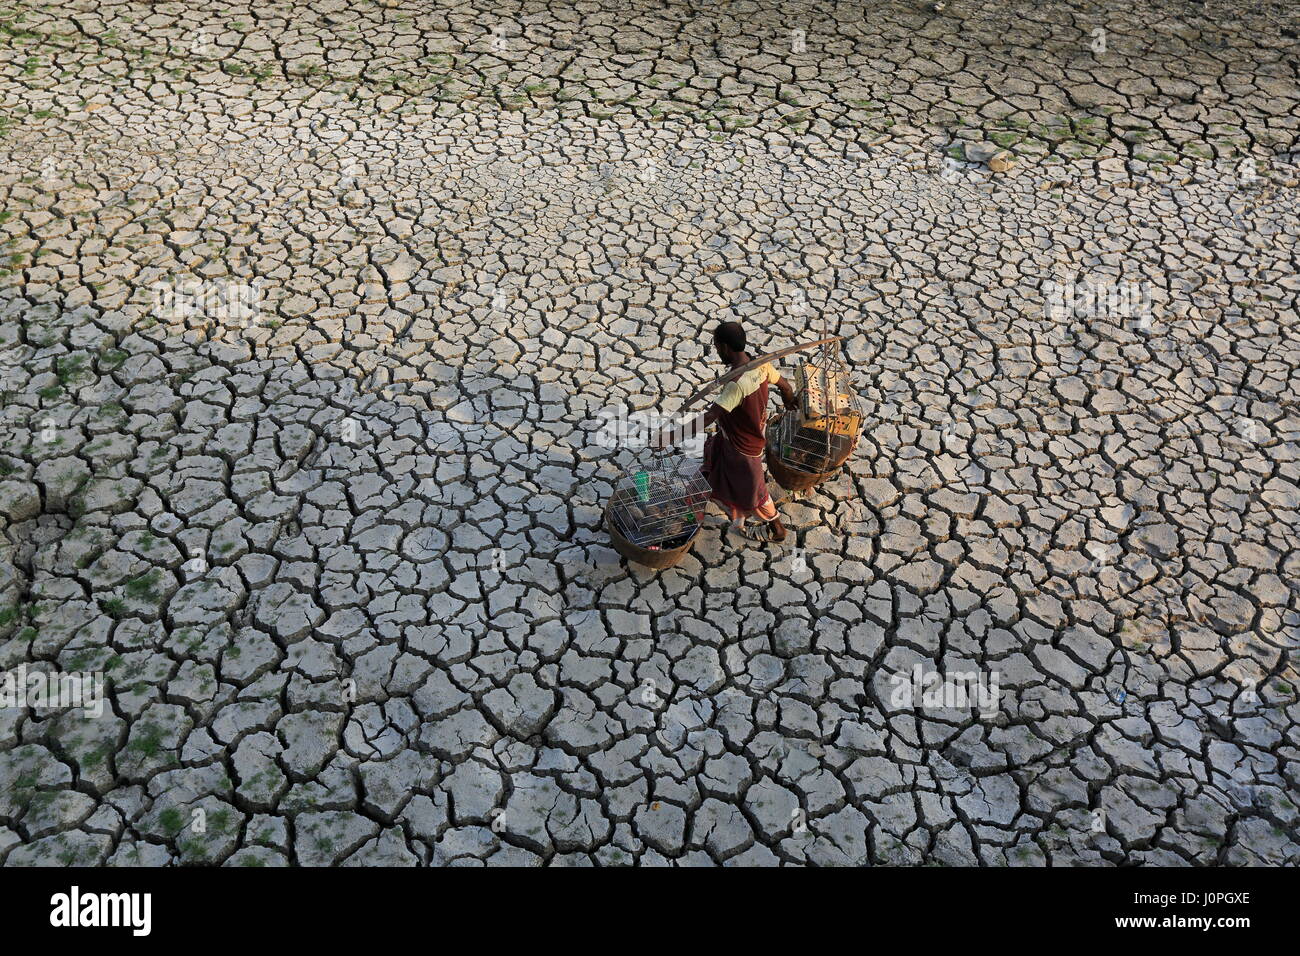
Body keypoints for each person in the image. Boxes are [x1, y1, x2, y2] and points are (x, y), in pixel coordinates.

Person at [656, 321, 798, 543]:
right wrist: (789, 398)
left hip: (743, 449)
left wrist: (669, 437)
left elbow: (710, 416)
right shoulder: (760, 365)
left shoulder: (736, 384)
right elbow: (785, 385)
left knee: (756, 494)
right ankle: (688, 516)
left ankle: (777, 530)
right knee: (708, 474)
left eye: (716, 345)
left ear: (724, 347)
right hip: (730, 441)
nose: (716, 350)